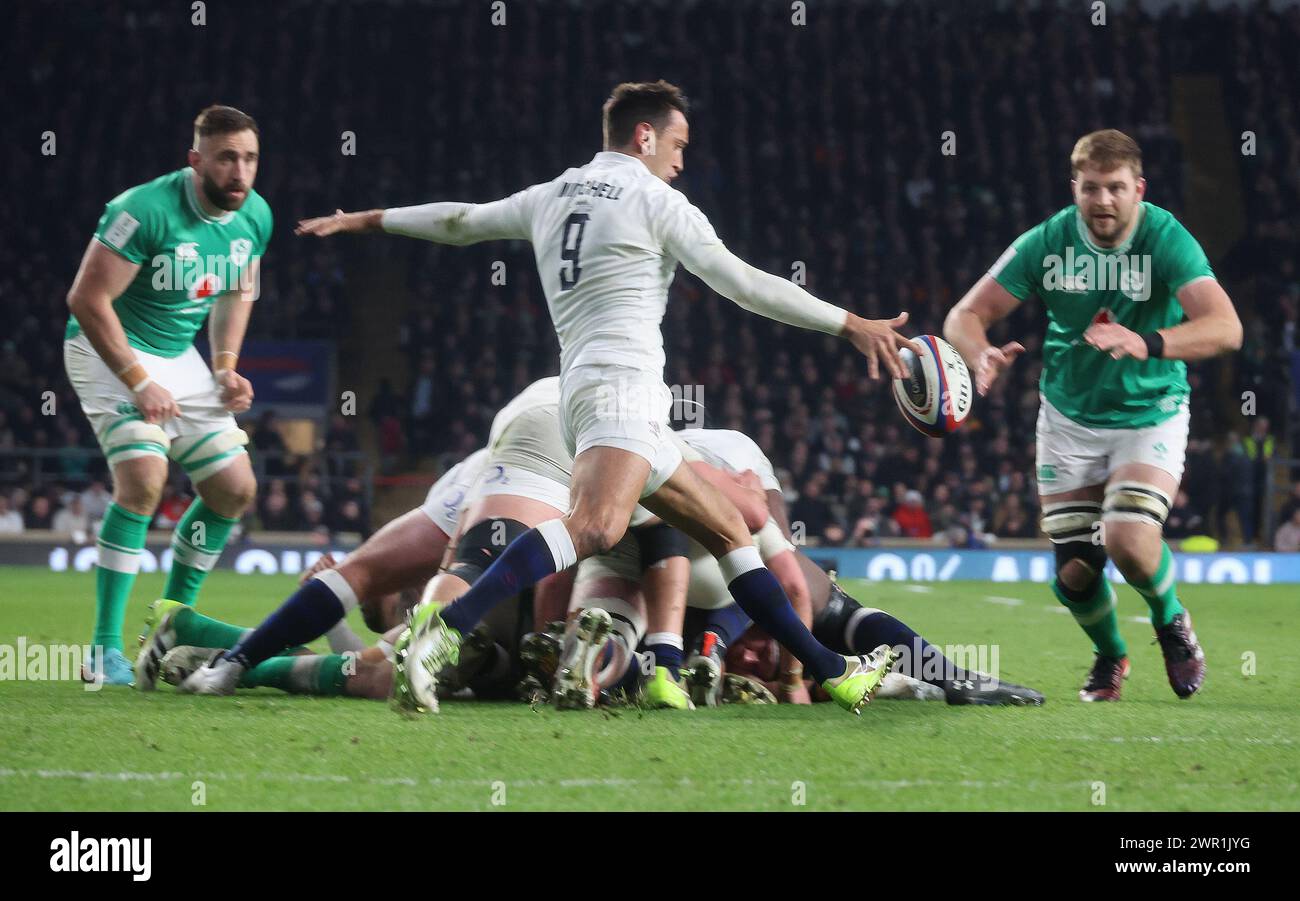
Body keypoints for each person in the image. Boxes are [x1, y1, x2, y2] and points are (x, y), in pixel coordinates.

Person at [189, 80, 917, 718]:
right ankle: (441, 631)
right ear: (644, 134)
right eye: (678, 142)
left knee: (730, 531)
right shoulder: (656, 200)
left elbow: (459, 221)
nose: (682, 158)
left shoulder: (552, 193)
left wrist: (371, 218)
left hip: (591, 393)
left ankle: (832, 673)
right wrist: (849, 323)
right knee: (595, 527)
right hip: (622, 391)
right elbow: (746, 283)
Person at [945, 129, 1241, 702]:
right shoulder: (1048, 241)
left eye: (1115, 188)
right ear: (1074, 188)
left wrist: (1148, 342)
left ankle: (1171, 620)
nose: (1103, 200)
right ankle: (1110, 655)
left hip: (1148, 413)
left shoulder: (1166, 238)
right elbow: (967, 313)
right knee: (1075, 576)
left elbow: (1226, 328)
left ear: (1139, 189)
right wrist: (978, 350)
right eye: (1091, 188)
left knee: (1129, 539)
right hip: (1068, 420)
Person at [63, 104, 271, 684]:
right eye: (227, 157)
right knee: (143, 480)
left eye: (250, 158)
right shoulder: (142, 209)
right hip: (107, 348)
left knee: (234, 489)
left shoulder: (254, 217)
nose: (240, 171)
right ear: (195, 159)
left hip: (179, 357)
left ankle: (171, 620)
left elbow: (236, 292)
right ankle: (104, 651)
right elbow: (85, 299)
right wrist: (138, 382)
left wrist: (226, 366)